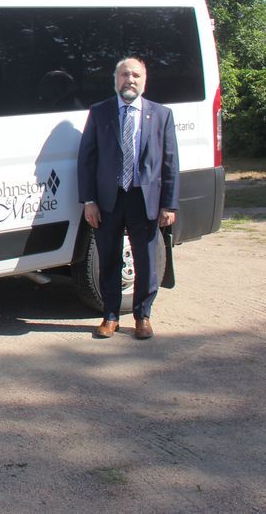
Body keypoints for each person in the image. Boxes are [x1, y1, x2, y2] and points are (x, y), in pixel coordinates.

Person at [77, 57, 179, 340]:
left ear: (143, 81)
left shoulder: (161, 115)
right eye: (124, 75)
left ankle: (142, 317)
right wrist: (89, 201)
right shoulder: (100, 113)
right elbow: (87, 160)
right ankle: (110, 317)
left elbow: (170, 164)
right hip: (108, 201)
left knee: (145, 261)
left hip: (144, 200)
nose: (129, 80)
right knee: (109, 259)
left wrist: (169, 204)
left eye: (135, 75)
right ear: (116, 80)